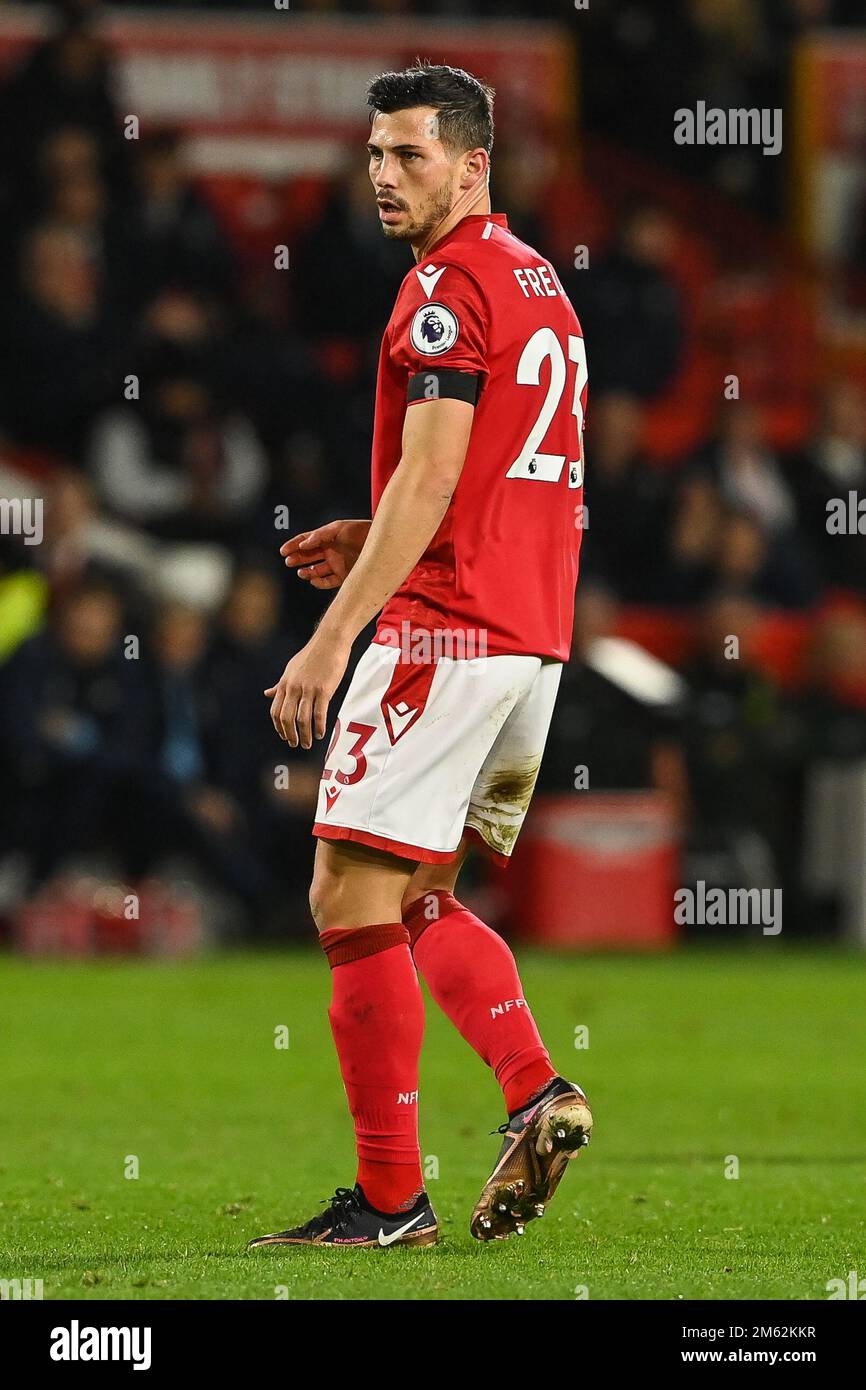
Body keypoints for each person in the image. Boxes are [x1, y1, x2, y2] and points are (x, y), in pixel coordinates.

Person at [247, 62, 593, 1252]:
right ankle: (537, 1088)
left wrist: (328, 640)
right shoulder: (537, 281)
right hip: (526, 636)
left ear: (471, 163)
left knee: (345, 895)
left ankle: (390, 1201)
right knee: (414, 895)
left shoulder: (441, 289)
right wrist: (375, 528)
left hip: (442, 632)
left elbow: (438, 469)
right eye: (376, 153)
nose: (384, 176)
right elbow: (480, 470)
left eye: (410, 155)